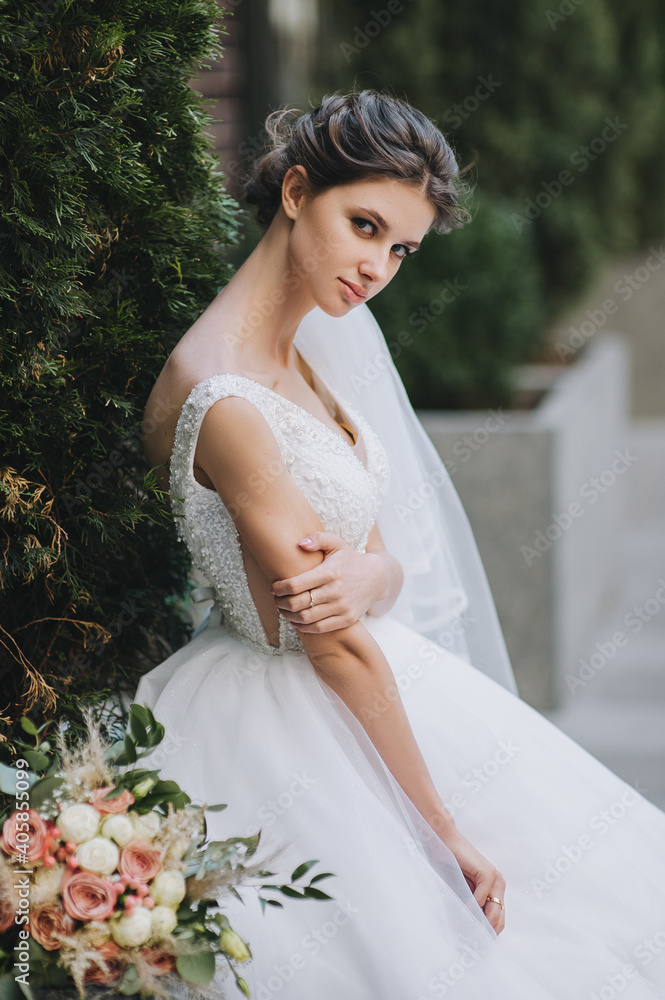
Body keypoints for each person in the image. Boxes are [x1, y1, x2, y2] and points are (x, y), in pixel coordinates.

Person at [133, 91, 665, 999]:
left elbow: (373, 549)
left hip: (387, 684)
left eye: (400, 250)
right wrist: (437, 829)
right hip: (294, 723)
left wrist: (376, 572)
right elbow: (330, 639)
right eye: (365, 226)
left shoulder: (307, 348)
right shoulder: (221, 392)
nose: (376, 268)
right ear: (296, 192)